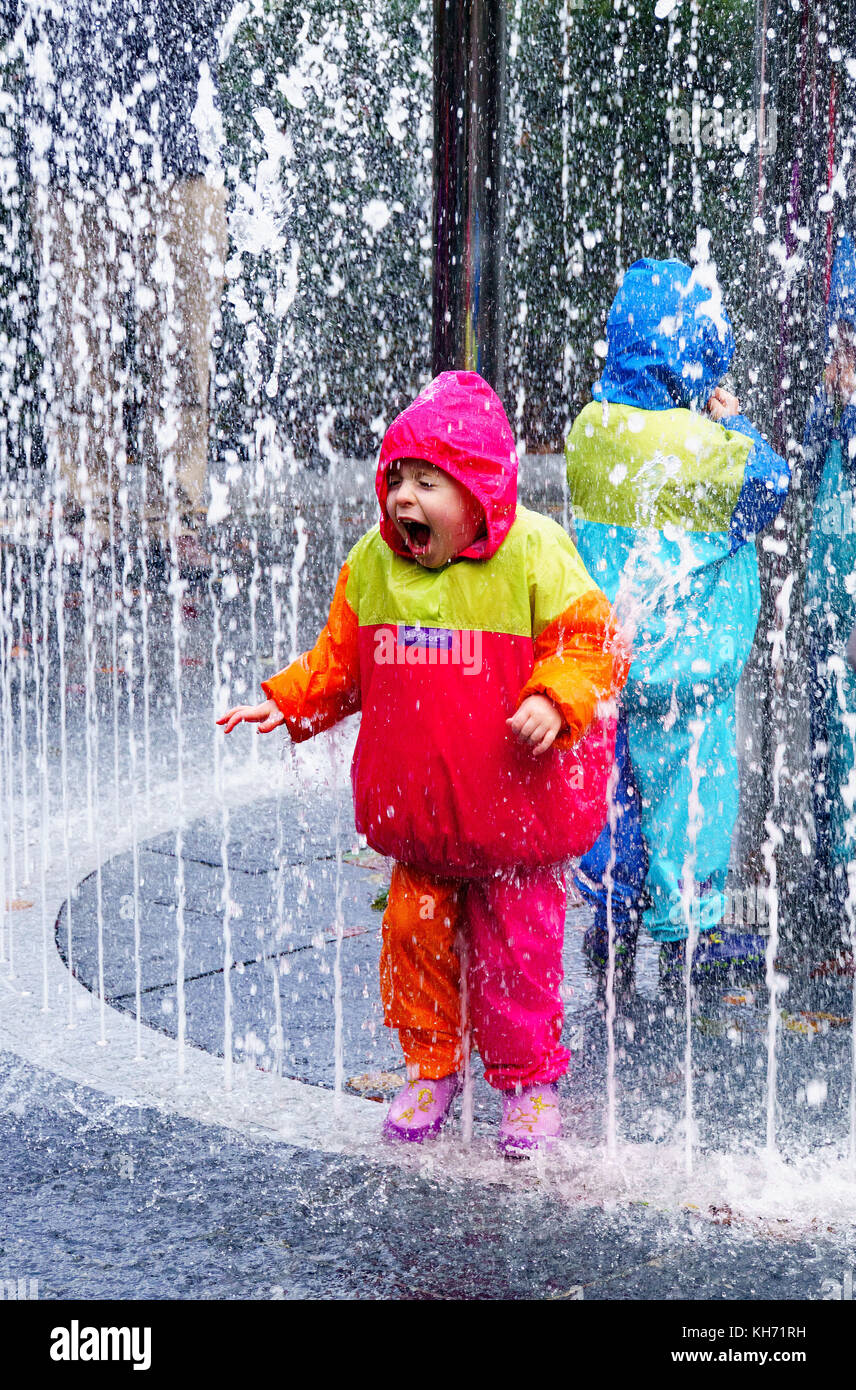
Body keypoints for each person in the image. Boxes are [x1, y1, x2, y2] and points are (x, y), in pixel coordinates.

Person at [219, 371, 629, 1155]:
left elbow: (592, 640)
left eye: (426, 482)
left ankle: (527, 1082)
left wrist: (555, 698)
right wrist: (294, 701)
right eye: (396, 478)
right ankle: (431, 1064)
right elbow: (342, 663)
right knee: (416, 944)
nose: (403, 499)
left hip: (514, 822)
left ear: (478, 491)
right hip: (423, 822)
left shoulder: (535, 553)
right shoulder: (376, 562)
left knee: (520, 956)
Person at [565, 256, 790, 991]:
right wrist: (734, 418)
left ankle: (613, 921)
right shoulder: (703, 446)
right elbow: (771, 483)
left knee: (617, 795)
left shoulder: (591, 431)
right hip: (686, 667)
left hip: (613, 659)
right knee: (692, 794)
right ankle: (692, 932)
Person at [17, 0, 230, 575]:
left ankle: (180, 517)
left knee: (186, 355)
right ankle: (90, 512)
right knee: (79, 356)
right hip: (71, 157)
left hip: (184, 153)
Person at [803, 233, 856, 942]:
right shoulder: (831, 414)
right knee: (835, 729)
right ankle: (840, 879)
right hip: (835, 607)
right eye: (839, 344)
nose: (841, 363)